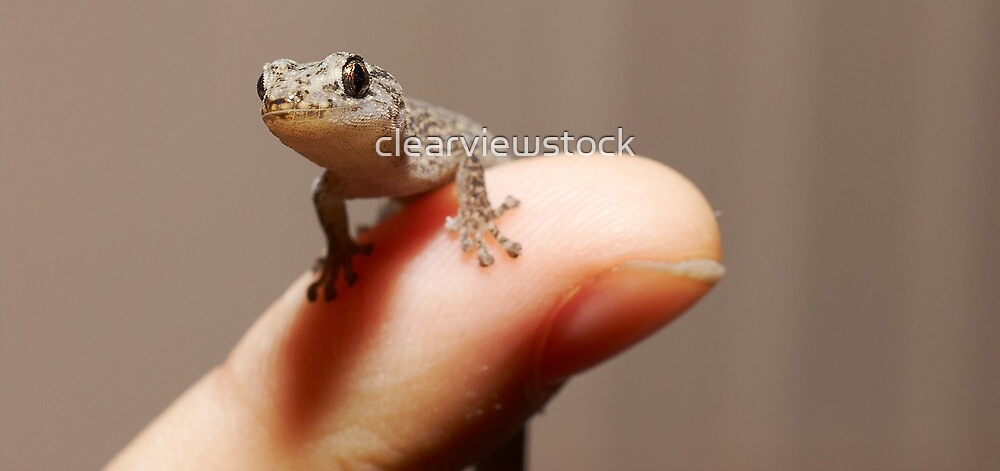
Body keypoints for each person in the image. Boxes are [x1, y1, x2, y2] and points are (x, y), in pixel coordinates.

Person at [107, 156, 723, 469]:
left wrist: (475, 213)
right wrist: (340, 248)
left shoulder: (420, 150)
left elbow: (470, 155)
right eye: (272, 92)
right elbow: (326, 195)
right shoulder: (334, 185)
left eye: (347, 85)